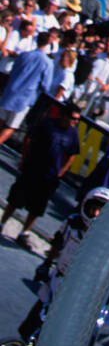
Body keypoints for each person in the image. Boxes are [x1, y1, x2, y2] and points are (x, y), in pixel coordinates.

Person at [17, 187, 109, 341]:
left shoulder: (107, 239)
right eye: (93, 209)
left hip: (77, 293)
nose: (95, 214)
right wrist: (46, 264)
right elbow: (58, 242)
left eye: (100, 211)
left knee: (51, 336)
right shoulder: (72, 223)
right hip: (56, 280)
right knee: (30, 328)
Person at [0, 102, 82, 249]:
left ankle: (24, 233)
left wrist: (60, 172)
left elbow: (71, 155)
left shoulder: (73, 134)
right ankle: (2, 223)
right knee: (16, 199)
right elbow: (28, 139)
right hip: (32, 168)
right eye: (73, 118)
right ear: (63, 115)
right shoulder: (47, 124)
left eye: (77, 119)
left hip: (49, 177)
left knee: (36, 207)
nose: (75, 122)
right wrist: (24, 159)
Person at [0, 31, 54, 149]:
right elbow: (46, 85)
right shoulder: (47, 62)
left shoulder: (24, 55)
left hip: (10, 92)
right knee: (11, 126)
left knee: (1, 121)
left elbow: (13, 70)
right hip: (25, 98)